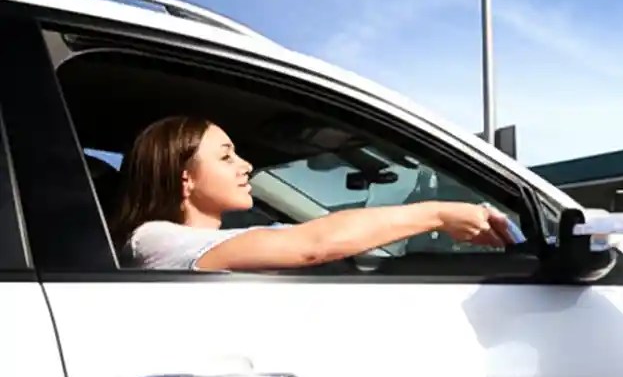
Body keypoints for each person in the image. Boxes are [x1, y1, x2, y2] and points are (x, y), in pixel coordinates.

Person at [109, 115, 516, 271]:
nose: (245, 165)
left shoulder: (207, 242)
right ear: (186, 179)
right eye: (226, 156)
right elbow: (313, 244)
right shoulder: (155, 241)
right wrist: (438, 215)